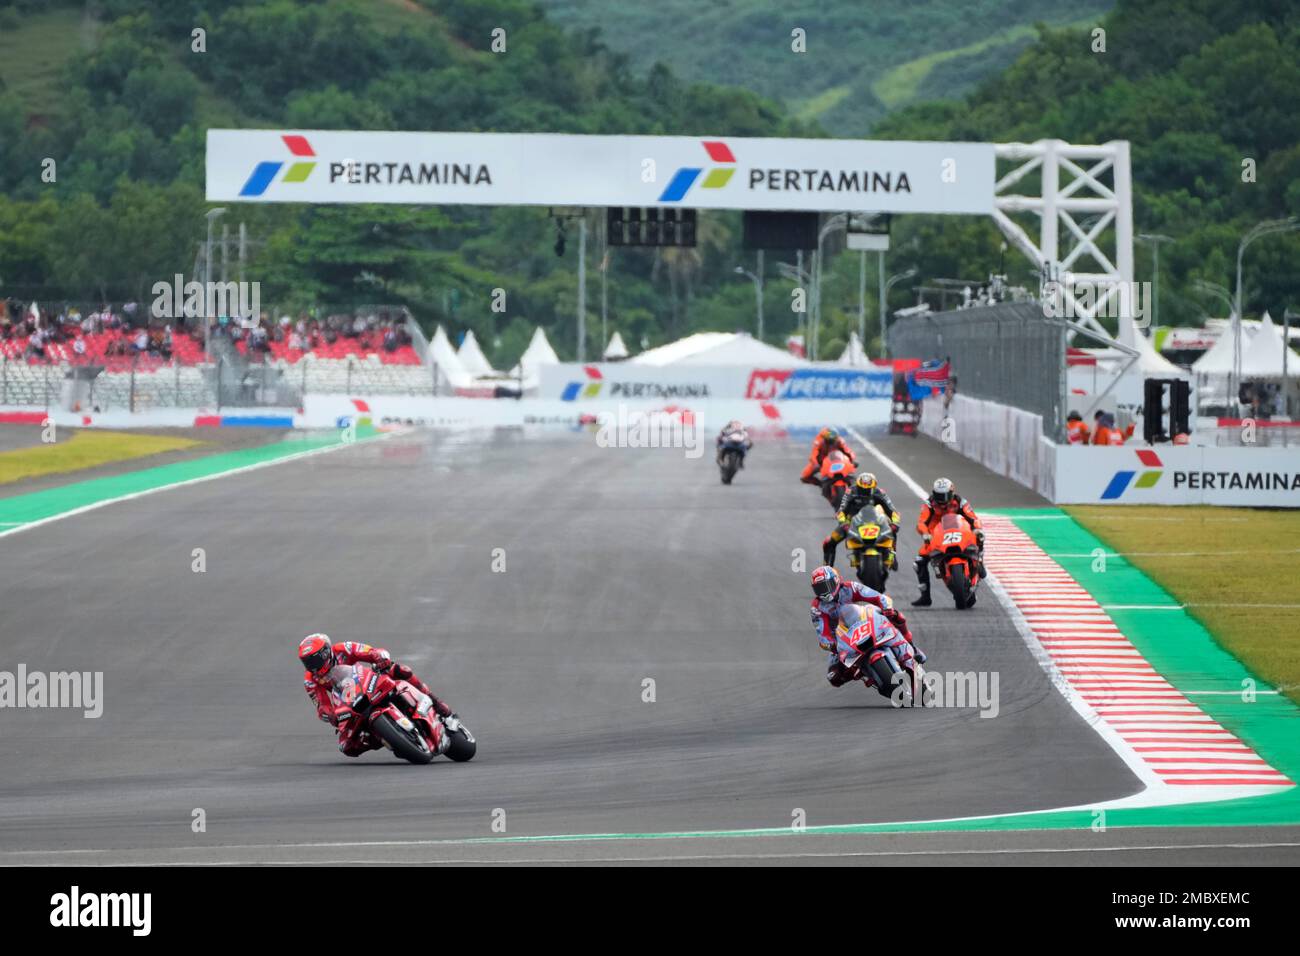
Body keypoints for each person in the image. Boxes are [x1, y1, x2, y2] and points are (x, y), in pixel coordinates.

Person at [297, 633, 455, 757]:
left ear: (325, 653)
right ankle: (388, 739)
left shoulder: (343, 648)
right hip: (348, 701)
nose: (312, 667)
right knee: (347, 746)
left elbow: (369, 651)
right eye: (307, 663)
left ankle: (437, 703)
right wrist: (330, 716)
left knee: (399, 670)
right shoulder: (310, 680)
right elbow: (321, 704)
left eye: (314, 661)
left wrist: (380, 658)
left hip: (366, 681)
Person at [810, 566, 925, 688]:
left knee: (896, 616)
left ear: (837, 580)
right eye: (820, 589)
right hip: (842, 639)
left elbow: (877, 596)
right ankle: (864, 675)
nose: (824, 591)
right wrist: (831, 644)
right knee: (834, 677)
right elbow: (823, 634)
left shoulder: (850, 587)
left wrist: (887, 608)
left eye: (827, 586)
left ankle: (911, 646)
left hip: (863, 621)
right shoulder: (817, 608)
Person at [912, 478, 983, 607]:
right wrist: (925, 533)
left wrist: (977, 528)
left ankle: (980, 562)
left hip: (960, 533)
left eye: (945, 495)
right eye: (939, 495)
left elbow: (973, 518)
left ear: (951, 493)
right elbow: (921, 522)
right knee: (919, 561)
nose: (942, 499)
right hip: (937, 537)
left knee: (979, 537)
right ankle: (925, 596)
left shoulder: (961, 502)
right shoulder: (929, 504)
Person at [821, 472, 901, 566]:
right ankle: (827, 567)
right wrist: (843, 523)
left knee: (892, 529)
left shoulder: (880, 492)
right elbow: (841, 510)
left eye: (867, 490)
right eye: (862, 489)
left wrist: (895, 523)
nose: (864, 492)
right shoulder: (850, 492)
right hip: (852, 523)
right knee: (828, 543)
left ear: (874, 487)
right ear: (858, 486)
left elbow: (892, 510)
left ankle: (893, 555)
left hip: (875, 521)